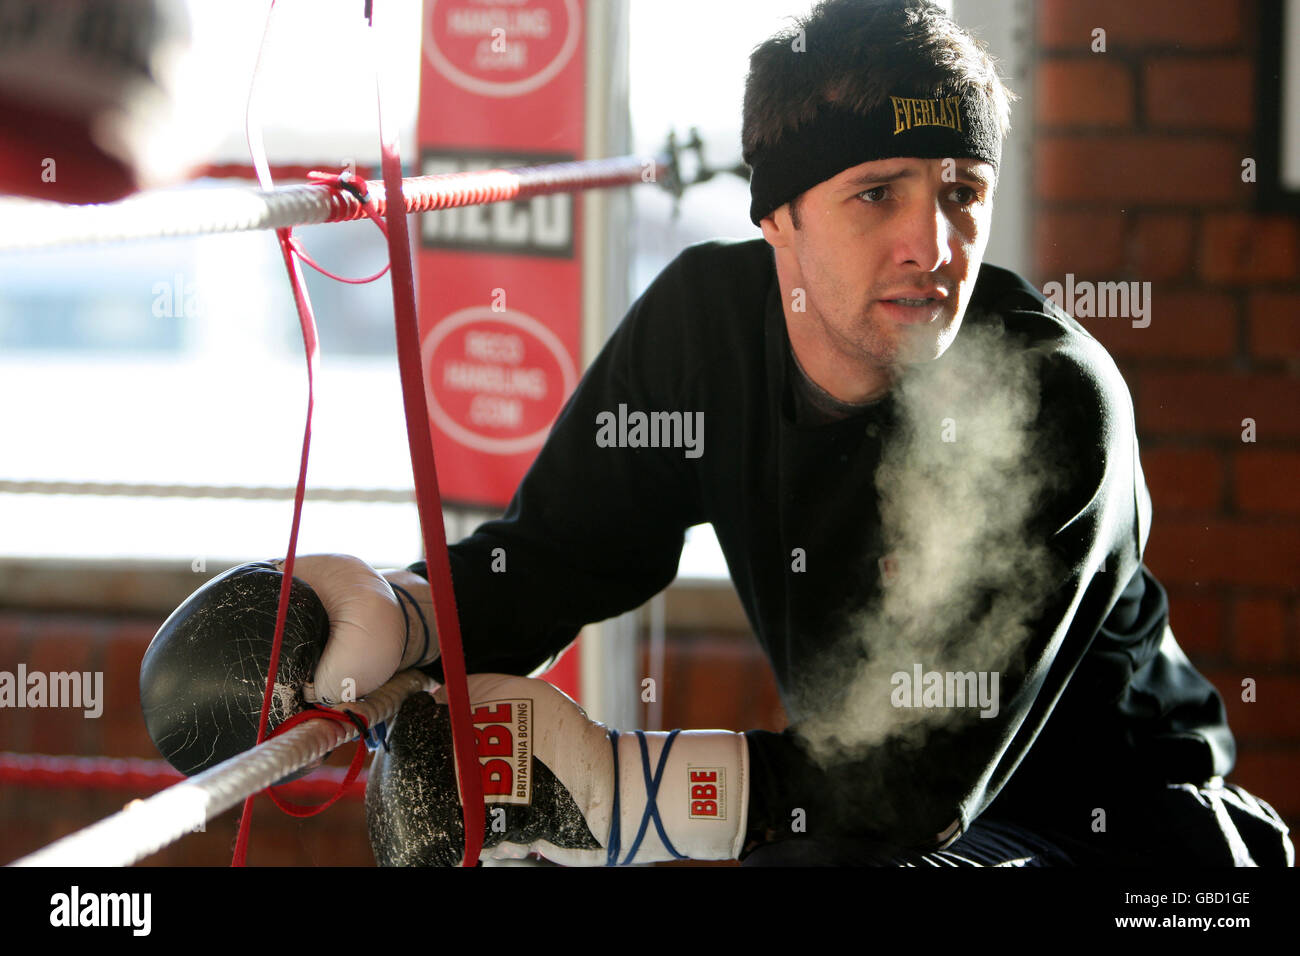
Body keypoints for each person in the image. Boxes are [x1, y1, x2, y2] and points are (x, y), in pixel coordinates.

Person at [151, 0, 1293, 866]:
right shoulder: (706, 328)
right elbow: (558, 557)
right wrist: (399, 611)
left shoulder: (1046, 397)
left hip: (1130, 844)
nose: (933, 245)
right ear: (778, 214)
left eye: (961, 191)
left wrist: (615, 791)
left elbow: (913, 788)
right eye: (878, 193)